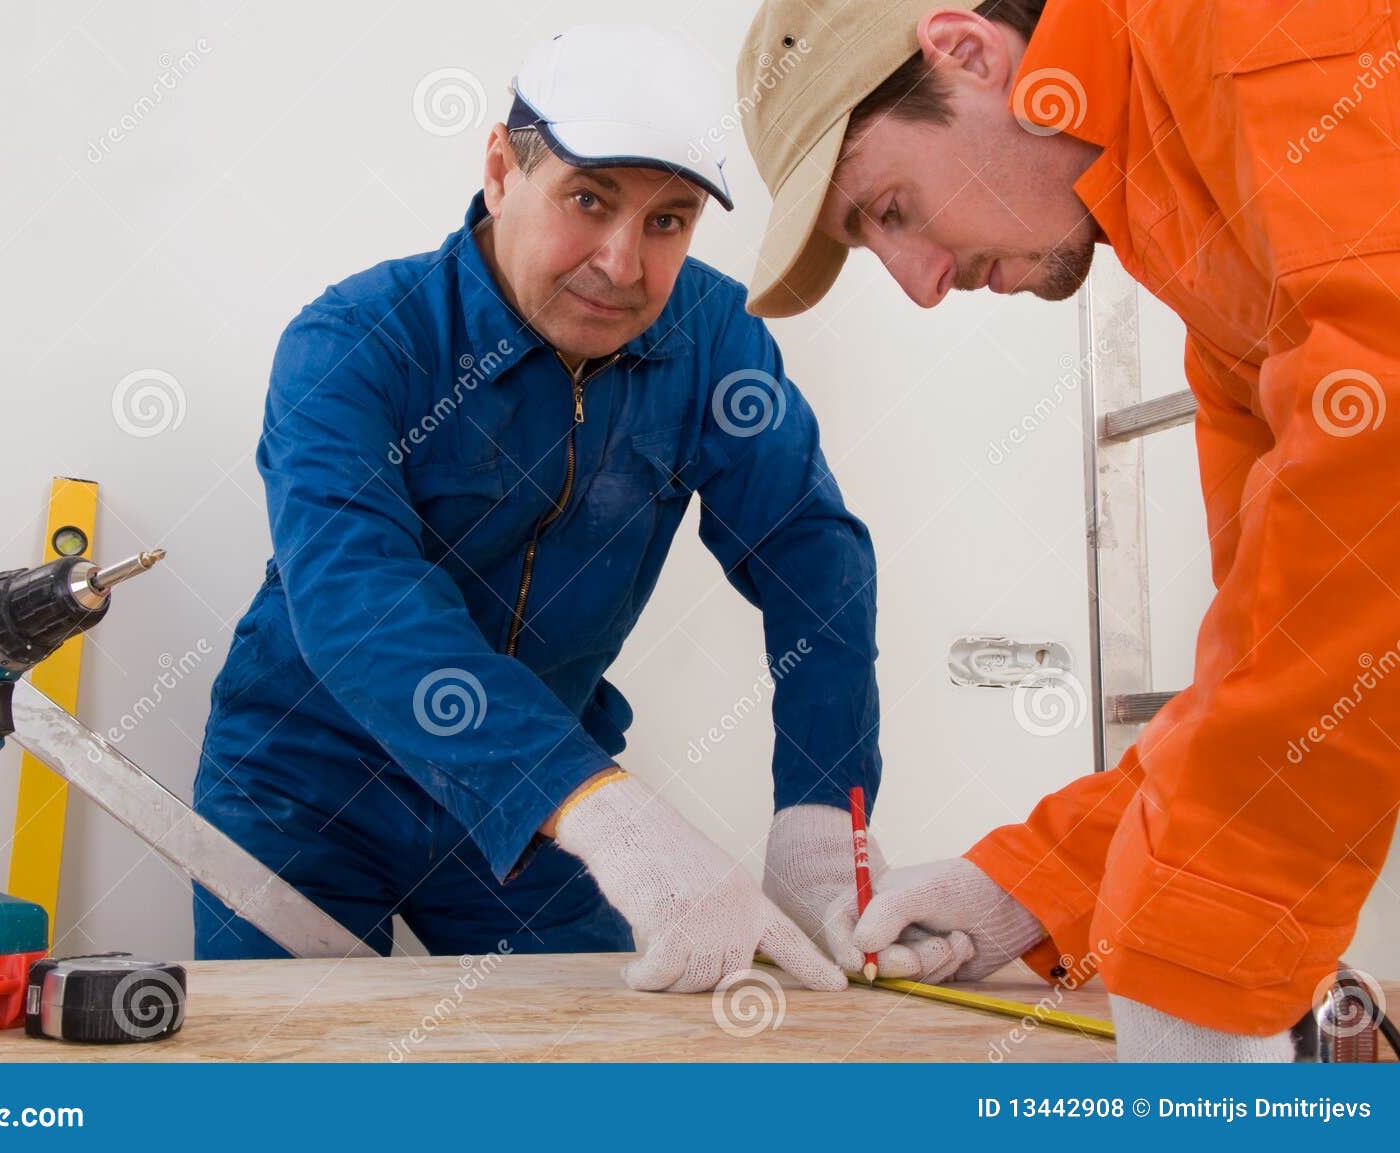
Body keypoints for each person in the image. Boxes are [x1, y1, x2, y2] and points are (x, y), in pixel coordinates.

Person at [736, 0, 1400, 1059]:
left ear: (963, 52)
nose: (918, 285)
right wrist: (1035, 882)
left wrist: (1201, 935)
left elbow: (1382, 456)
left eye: (891, 209)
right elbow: (1276, 657)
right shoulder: (1209, 265)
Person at [193, 23, 889, 995]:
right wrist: (597, 805)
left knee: (593, 1068)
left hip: (531, 815)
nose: (620, 263)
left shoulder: (715, 339)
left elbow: (812, 564)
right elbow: (360, 597)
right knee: (281, 1082)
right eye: (588, 199)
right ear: (499, 171)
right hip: (307, 785)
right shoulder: (354, 340)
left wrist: (822, 814)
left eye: (667, 221)